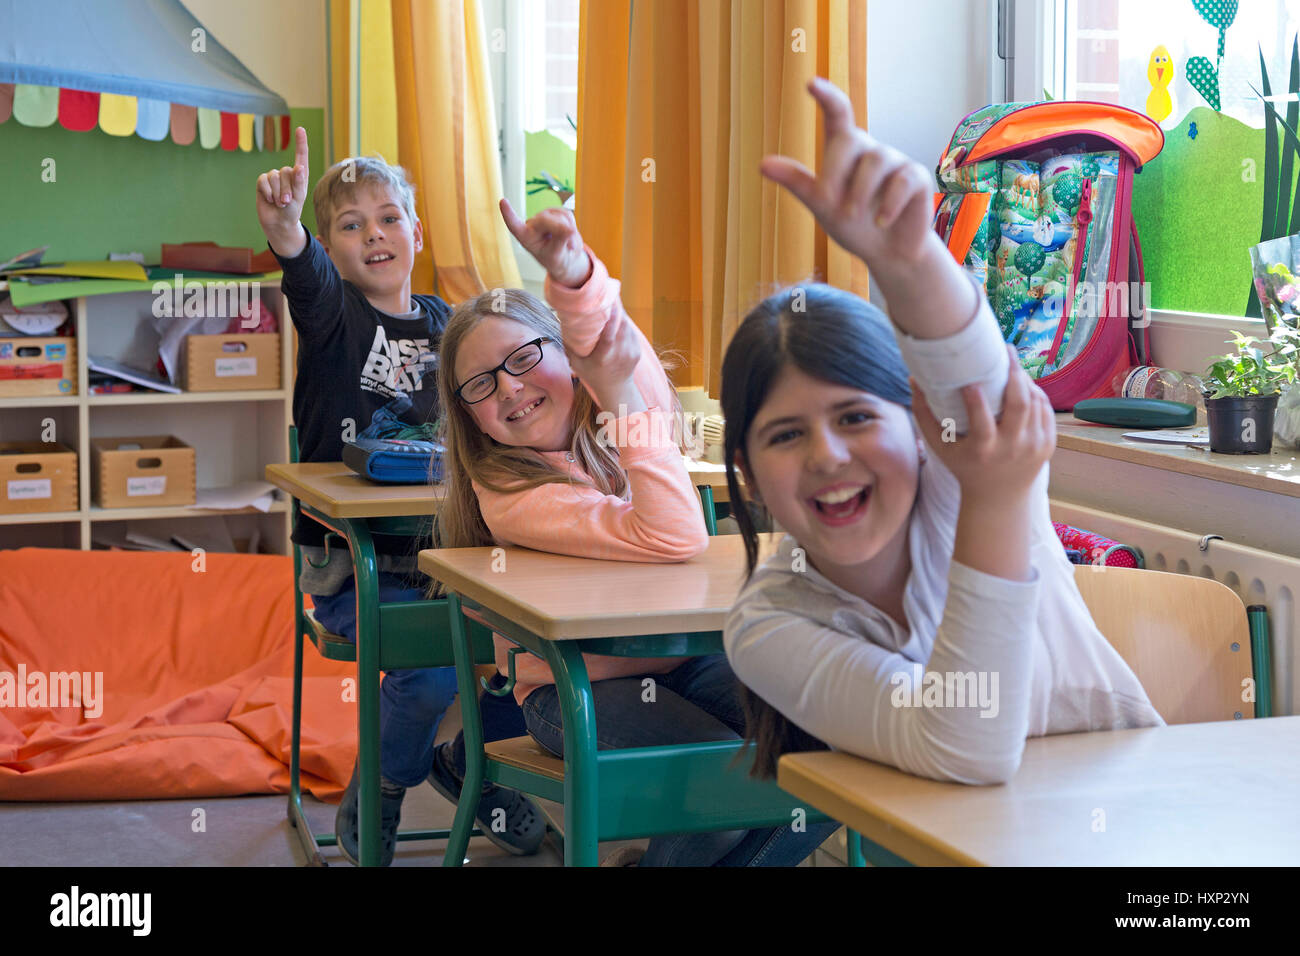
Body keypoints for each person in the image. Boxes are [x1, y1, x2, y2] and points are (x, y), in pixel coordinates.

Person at [721, 78, 1164, 784]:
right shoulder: (767, 625)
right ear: (744, 471)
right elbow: (967, 746)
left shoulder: (959, 469)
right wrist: (995, 500)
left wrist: (908, 260)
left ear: (919, 427)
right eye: (785, 436)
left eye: (856, 418)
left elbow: (975, 376)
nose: (828, 456)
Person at [428, 199, 838, 865]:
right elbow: (675, 537)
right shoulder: (509, 493)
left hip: (686, 662)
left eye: (525, 357)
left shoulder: (610, 401)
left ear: (570, 354)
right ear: (469, 416)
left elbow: (615, 345)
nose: (508, 388)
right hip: (576, 694)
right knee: (715, 779)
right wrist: (617, 395)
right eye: (480, 384)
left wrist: (573, 273)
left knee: (833, 747)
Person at [254, 130, 543, 865]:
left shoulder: (454, 327)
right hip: (356, 564)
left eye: (389, 218)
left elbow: (498, 410)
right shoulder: (334, 318)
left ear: (416, 232)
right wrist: (287, 231)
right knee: (433, 668)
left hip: (447, 552)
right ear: (330, 245)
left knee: (536, 641)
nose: (374, 235)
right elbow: (307, 277)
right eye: (351, 226)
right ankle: (382, 786)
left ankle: (464, 764)